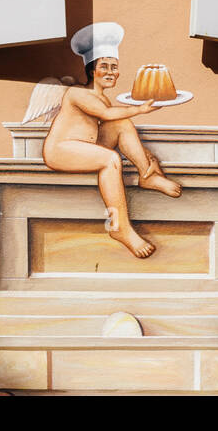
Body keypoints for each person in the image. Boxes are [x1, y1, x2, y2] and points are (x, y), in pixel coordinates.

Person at [41, 22, 182, 258]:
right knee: (110, 159)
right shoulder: (78, 93)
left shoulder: (103, 99)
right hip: (61, 151)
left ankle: (148, 175)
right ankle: (121, 228)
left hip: (85, 148)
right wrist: (140, 109)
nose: (111, 72)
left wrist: (142, 152)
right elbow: (106, 114)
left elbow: (114, 117)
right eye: (104, 66)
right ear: (90, 70)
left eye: (115, 67)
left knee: (122, 124)